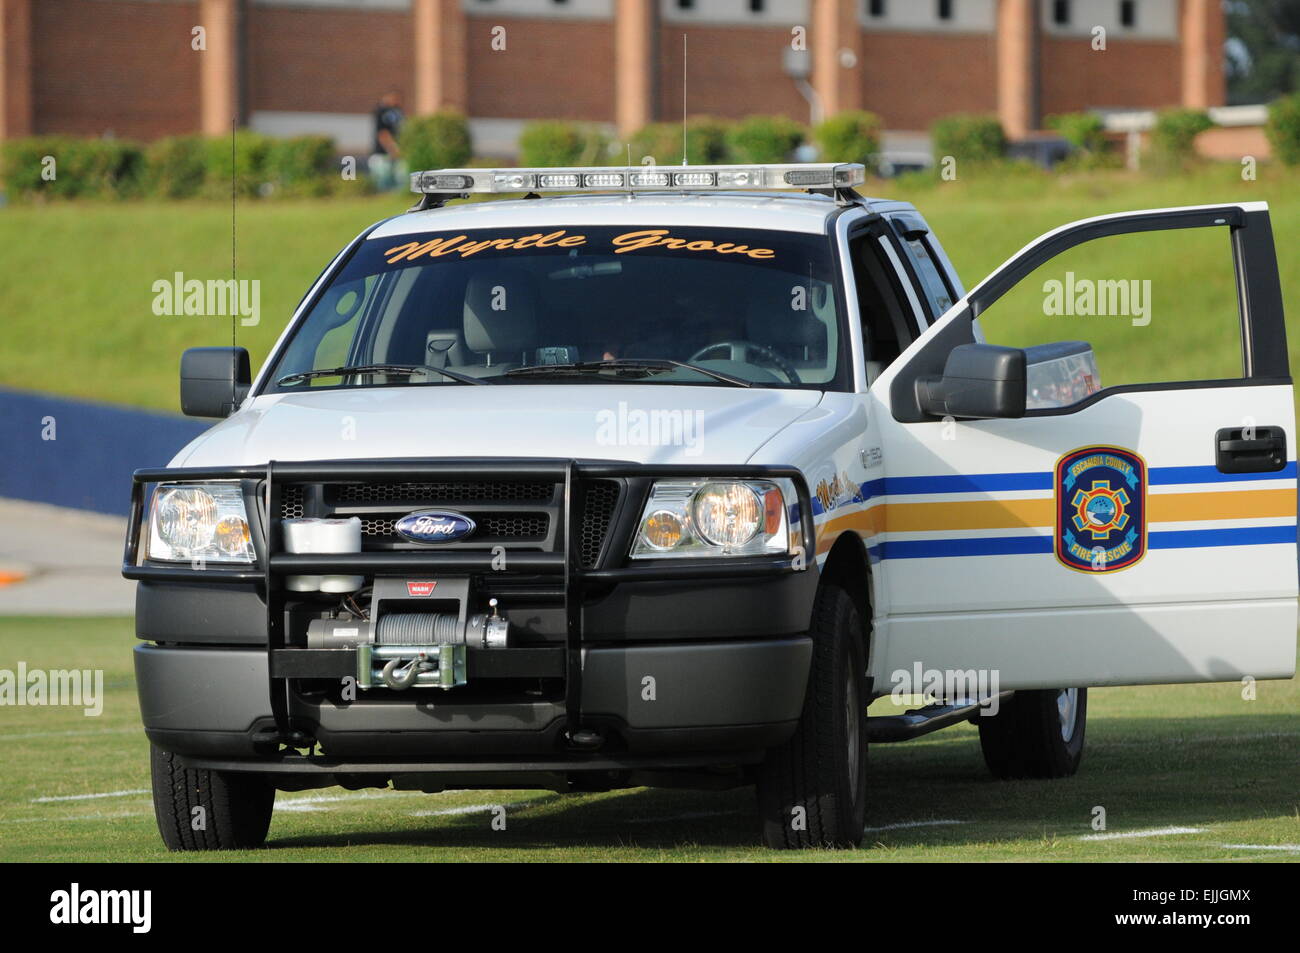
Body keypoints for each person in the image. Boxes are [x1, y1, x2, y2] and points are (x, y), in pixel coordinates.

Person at [368, 89, 405, 191]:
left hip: (395, 153)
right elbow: (383, 133)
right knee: (383, 184)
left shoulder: (397, 111)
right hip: (383, 153)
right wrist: (393, 149)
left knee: (395, 184)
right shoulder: (382, 111)